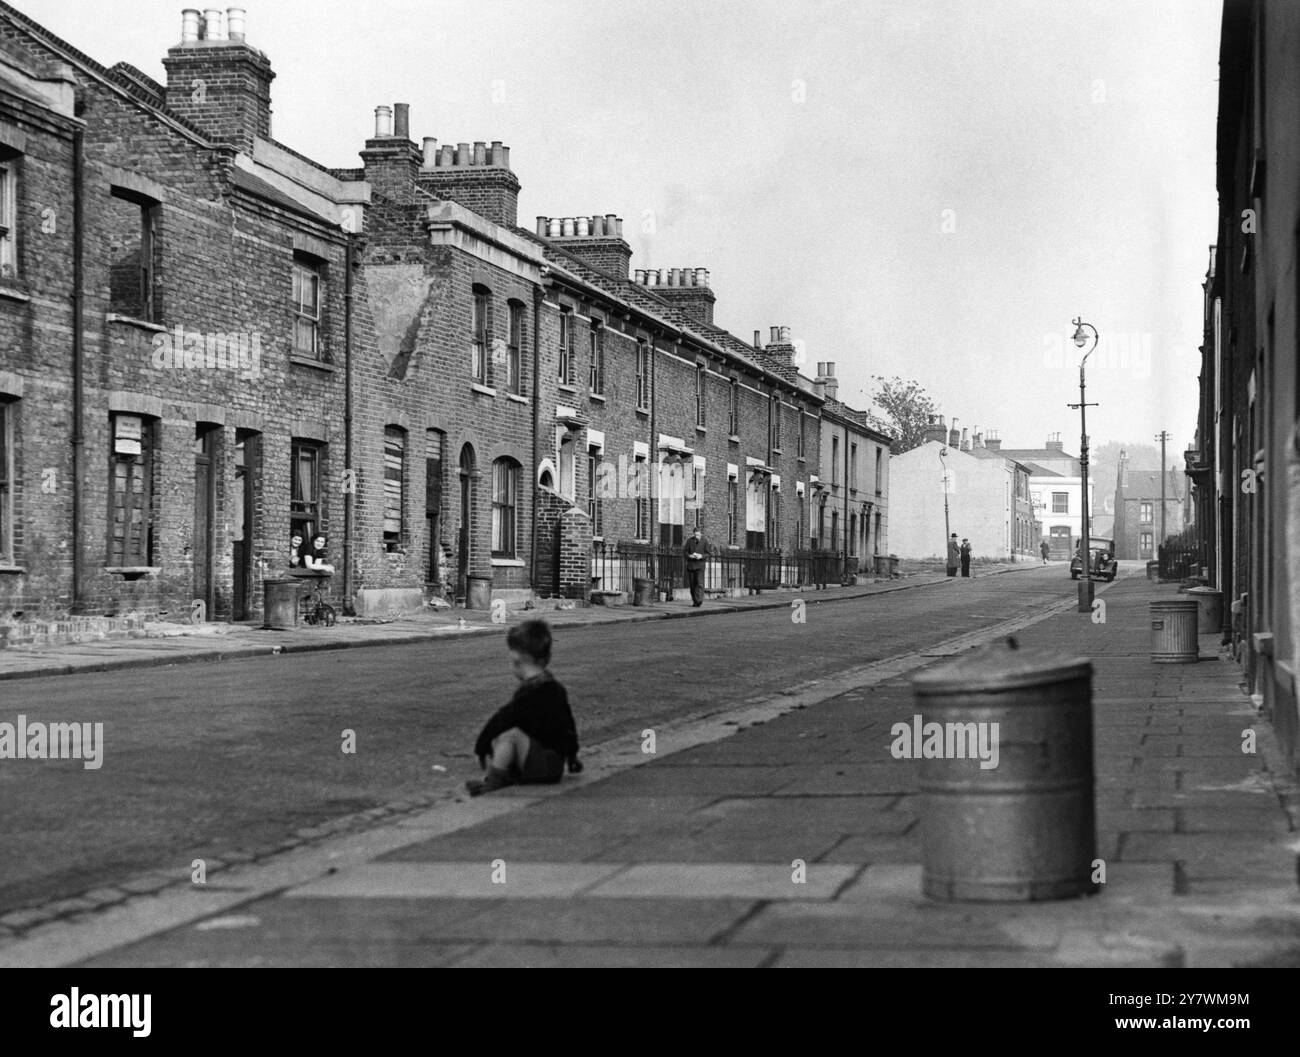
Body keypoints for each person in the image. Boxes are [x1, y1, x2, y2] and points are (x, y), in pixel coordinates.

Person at [466, 620, 581, 796]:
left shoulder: (533, 692)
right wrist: (572, 756)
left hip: (548, 765)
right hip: (549, 760)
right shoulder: (553, 687)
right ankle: (504, 776)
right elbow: (568, 724)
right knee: (506, 736)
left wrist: (482, 744)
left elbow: (504, 718)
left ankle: (493, 783)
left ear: (516, 660)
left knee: (509, 737)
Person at [684, 526, 709, 607]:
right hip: (691, 565)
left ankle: (699, 600)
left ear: (700, 534)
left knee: (699, 584)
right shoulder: (689, 541)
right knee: (692, 585)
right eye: (695, 535)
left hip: (700, 565)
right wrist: (689, 556)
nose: (696, 537)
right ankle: (695, 601)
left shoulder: (704, 541)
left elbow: (708, 553)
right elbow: (685, 552)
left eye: (698, 535)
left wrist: (701, 556)